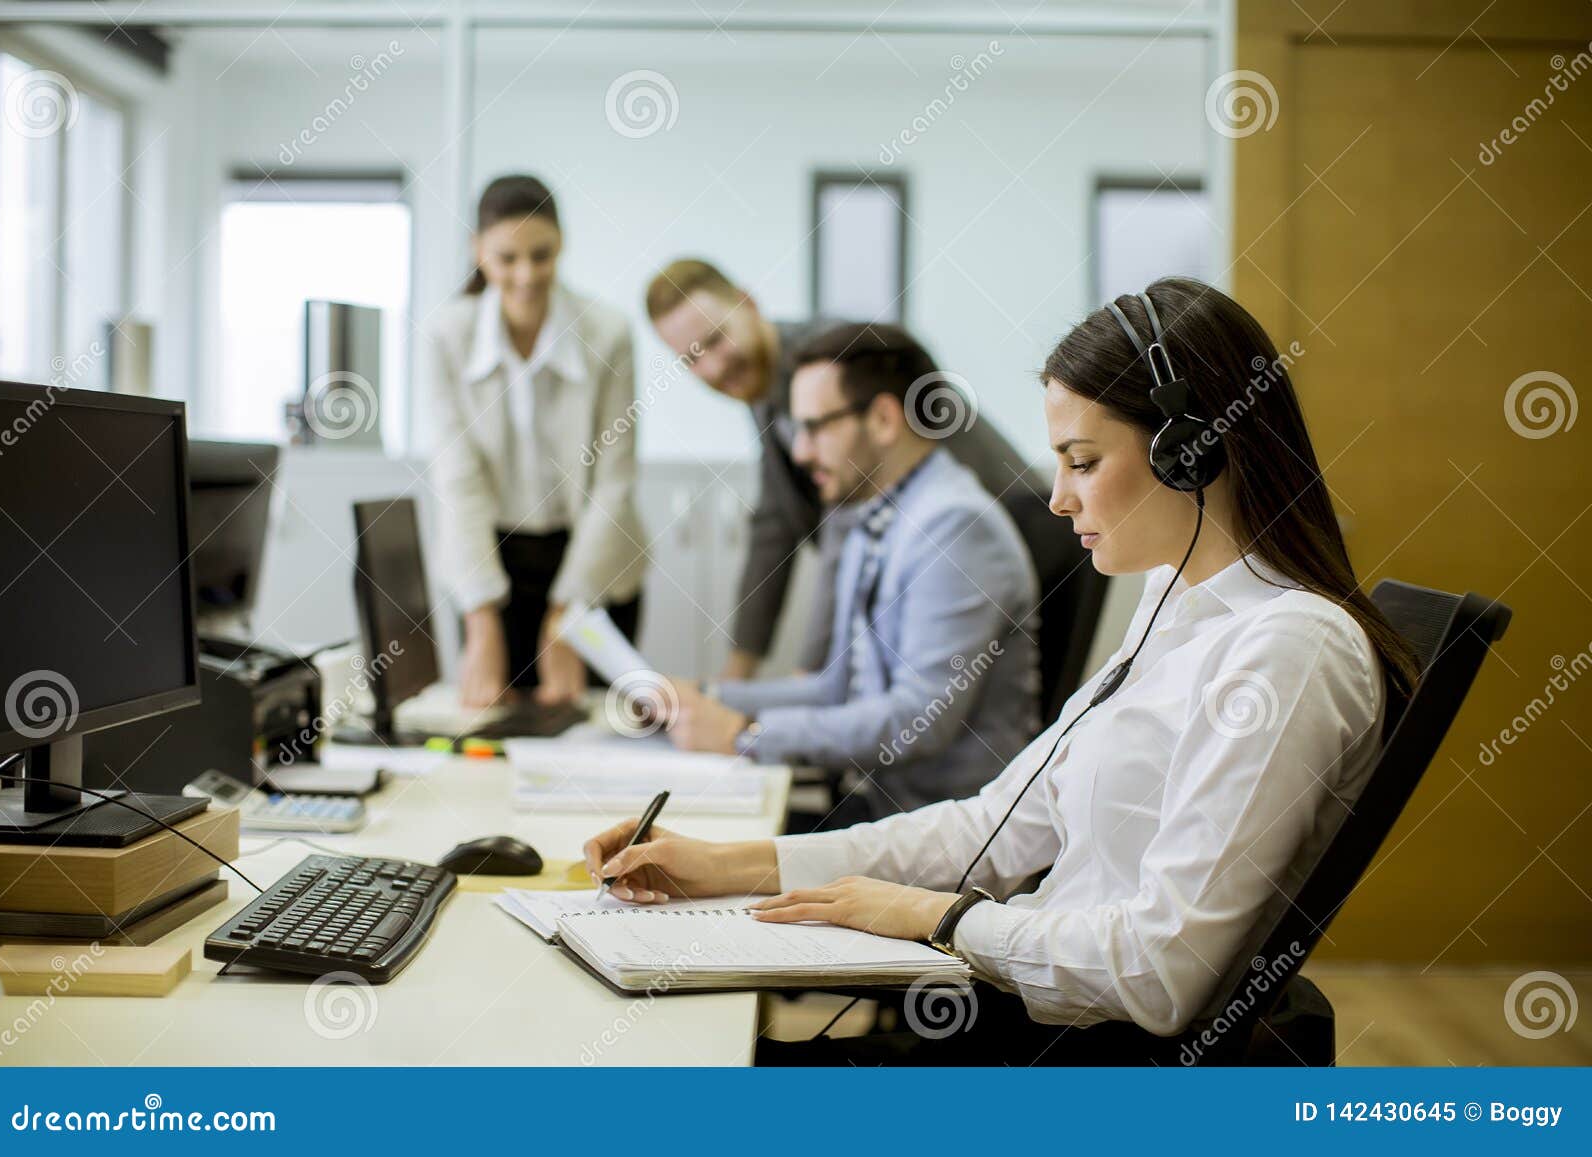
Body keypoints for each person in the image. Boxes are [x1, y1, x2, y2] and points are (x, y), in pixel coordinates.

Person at [584, 278, 1420, 1064]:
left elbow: (1164, 974)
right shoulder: (1176, 603)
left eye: (1084, 461)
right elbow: (989, 824)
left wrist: (939, 918)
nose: (1057, 499)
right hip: (1015, 1004)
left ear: (1190, 452)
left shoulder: (1290, 649)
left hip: (1076, 1057)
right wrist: (725, 863)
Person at [661, 323, 1040, 823]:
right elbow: (839, 686)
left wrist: (744, 735)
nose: (799, 453)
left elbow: (917, 721)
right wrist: (709, 698)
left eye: (815, 427)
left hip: (948, 832)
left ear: (883, 419)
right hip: (886, 812)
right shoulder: (869, 516)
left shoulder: (955, 527)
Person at [646, 258, 1043, 679]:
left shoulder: (832, 364)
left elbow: (845, 525)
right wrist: (736, 678)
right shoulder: (765, 389)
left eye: (716, 339)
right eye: (691, 359)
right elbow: (775, 526)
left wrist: (803, 682)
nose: (711, 367)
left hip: (996, 554)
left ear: (748, 303)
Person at [425, 175, 645, 709]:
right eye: (507, 258)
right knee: (493, 722)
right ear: (479, 253)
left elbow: (613, 483)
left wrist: (568, 612)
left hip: (593, 558)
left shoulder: (609, 332)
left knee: (587, 726)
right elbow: (459, 481)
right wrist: (480, 618)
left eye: (541, 256)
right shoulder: (446, 335)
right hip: (491, 562)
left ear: (562, 244)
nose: (526, 275)